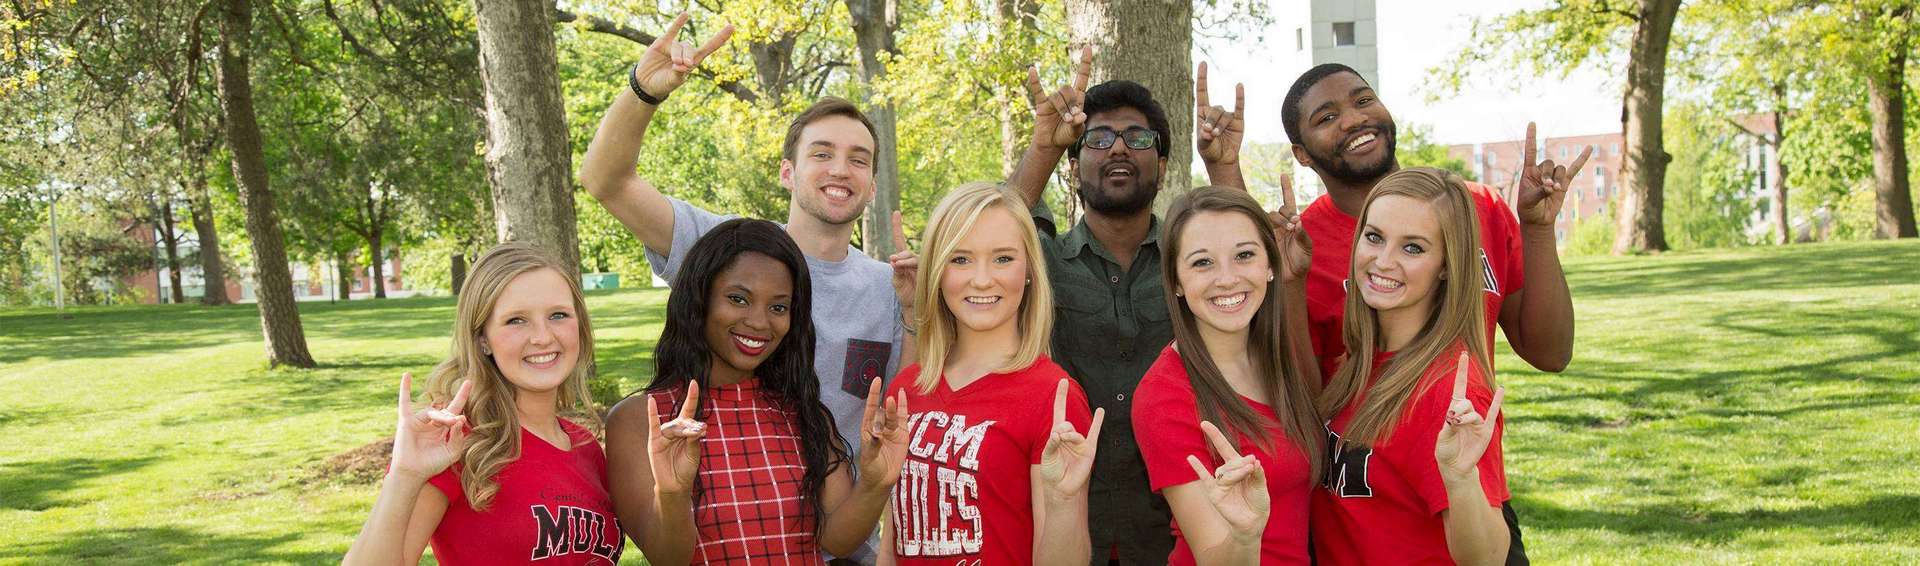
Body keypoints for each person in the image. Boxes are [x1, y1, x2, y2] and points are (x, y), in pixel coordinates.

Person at [579, 16, 914, 561]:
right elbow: (605, 180)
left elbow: (909, 399)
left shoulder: (893, 288)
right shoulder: (727, 248)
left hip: (843, 542)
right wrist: (644, 91)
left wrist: (917, 310)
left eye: (859, 159)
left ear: (873, 183)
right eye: (822, 153)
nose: (840, 169)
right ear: (787, 171)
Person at [1280, 63, 1590, 561]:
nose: (1354, 119)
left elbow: (1550, 353)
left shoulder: (1479, 210)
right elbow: (1303, 398)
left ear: (1450, 262)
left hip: (1456, 483)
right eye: (1327, 115)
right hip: (1363, 506)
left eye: (1363, 100)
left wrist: (1536, 230)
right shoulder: (1304, 248)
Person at [1007, 50, 1255, 565]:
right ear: (1074, 168)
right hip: (1067, 529)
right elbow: (993, 233)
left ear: (1162, 167)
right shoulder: (1043, 260)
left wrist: (1223, 166)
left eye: (1138, 138)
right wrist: (1042, 147)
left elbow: (1252, 268)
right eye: (1098, 139)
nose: (1118, 148)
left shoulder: (1195, 264)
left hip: (1185, 528)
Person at [604, 219, 912, 565]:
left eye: (778, 307)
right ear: (699, 298)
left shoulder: (802, 412)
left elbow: (837, 540)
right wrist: (673, 494)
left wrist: (875, 484)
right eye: (738, 299)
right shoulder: (641, 420)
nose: (760, 322)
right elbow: (666, 557)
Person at [343, 242, 622, 565]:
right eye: (516, 320)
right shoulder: (456, 442)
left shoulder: (586, 447)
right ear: (482, 339)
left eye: (558, 315)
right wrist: (404, 475)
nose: (543, 336)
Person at [879, 182, 1102, 565]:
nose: (982, 279)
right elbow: (893, 544)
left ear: (1030, 269)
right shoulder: (906, 388)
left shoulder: (1053, 396)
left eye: (1002, 259)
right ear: (936, 270)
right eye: (960, 259)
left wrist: (1064, 501)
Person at [1312, 168, 1511, 565]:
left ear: (1446, 265)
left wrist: (1459, 479)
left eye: (1413, 248)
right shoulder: (1359, 361)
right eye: (1374, 237)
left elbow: (1488, 558)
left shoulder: (1449, 389)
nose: (1383, 261)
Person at [1132, 187, 1323, 565]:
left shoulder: (1273, 357)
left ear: (1270, 265)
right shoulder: (1164, 397)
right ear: (1175, 281)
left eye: (1244, 255)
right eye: (1203, 263)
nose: (1227, 278)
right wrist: (1244, 535)